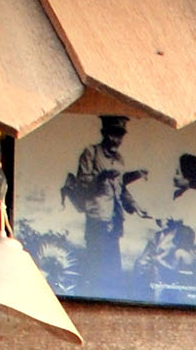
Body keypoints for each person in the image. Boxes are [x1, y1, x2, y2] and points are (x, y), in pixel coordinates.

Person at [61, 116, 145, 288]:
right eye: (112, 134)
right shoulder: (91, 153)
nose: (116, 140)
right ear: (104, 133)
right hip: (97, 219)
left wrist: (135, 206)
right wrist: (101, 177)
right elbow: (82, 183)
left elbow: (120, 188)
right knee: (95, 267)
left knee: (113, 269)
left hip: (114, 221)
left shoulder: (119, 159)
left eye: (119, 135)